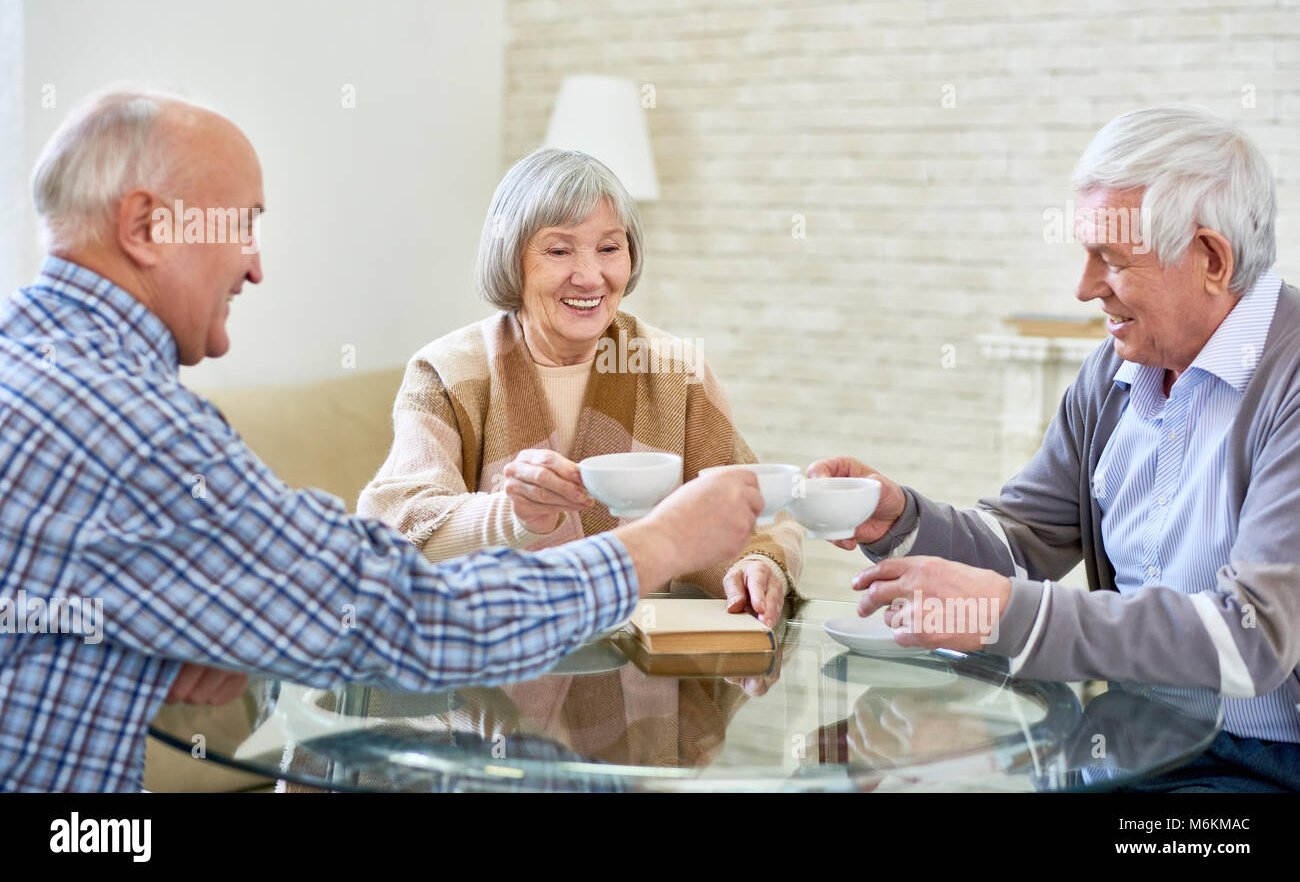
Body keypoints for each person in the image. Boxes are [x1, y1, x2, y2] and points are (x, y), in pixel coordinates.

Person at [0, 87, 764, 792]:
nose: (255, 264)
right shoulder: (136, 429)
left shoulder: (35, 372)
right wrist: (659, 544)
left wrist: (162, 641)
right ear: (144, 226)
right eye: (243, 224)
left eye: (609, 247)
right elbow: (404, 613)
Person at [810, 105, 1300, 790]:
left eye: (1113, 259)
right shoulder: (1115, 372)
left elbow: (1253, 638)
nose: (1084, 287)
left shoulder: (1290, 381)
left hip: (1266, 765)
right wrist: (899, 518)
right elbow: (1021, 543)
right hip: (1129, 735)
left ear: (1211, 259)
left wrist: (1004, 611)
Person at [358, 148, 802, 627]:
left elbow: (753, 511)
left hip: (646, 676)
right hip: (493, 673)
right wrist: (517, 516)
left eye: (609, 248)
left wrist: (757, 565)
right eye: (559, 250)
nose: (591, 277)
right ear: (512, 259)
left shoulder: (677, 371)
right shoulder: (448, 372)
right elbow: (395, 529)